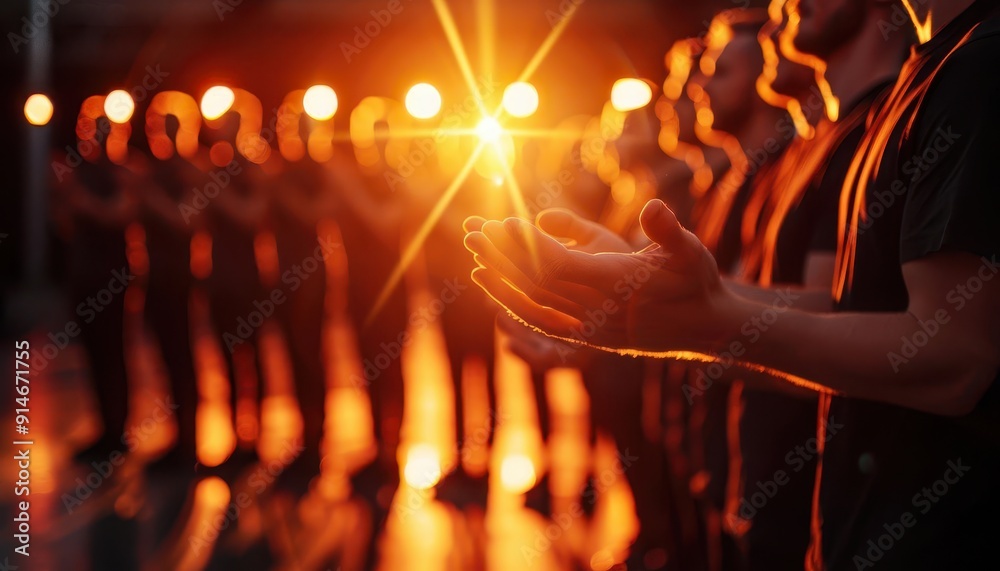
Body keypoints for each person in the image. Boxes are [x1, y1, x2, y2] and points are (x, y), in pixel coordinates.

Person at [464, 1, 1000, 567]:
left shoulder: (977, 67)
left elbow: (954, 359)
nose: (781, 9)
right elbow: (845, 309)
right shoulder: (919, 84)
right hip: (833, 522)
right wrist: (666, 296)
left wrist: (707, 324)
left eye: (719, 70)